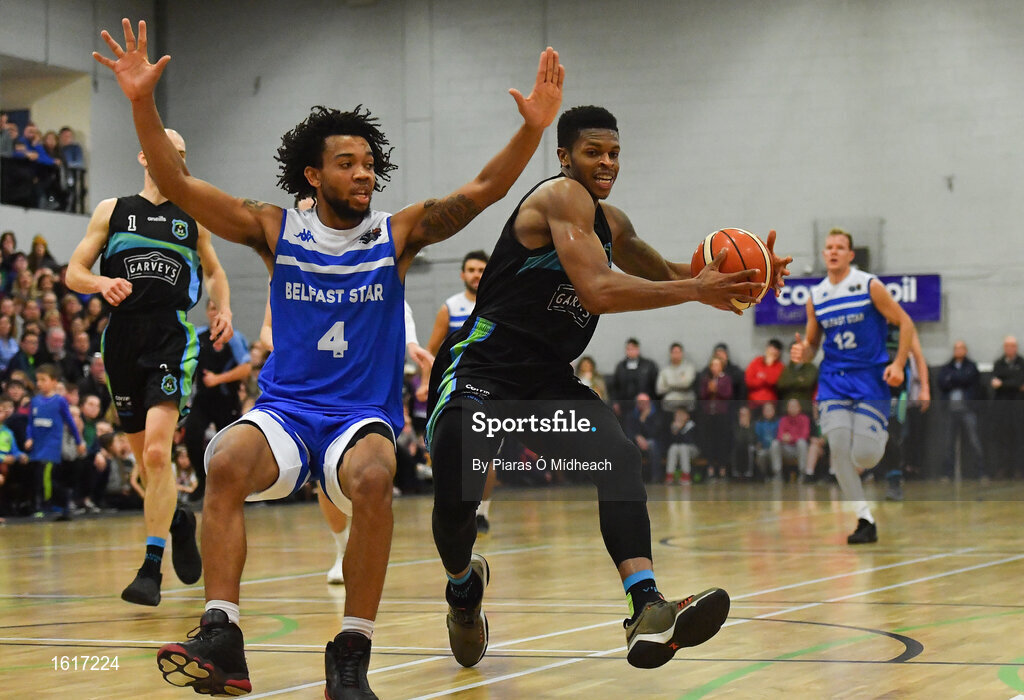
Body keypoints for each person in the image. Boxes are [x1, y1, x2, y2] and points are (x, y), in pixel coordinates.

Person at [95, 18, 564, 697]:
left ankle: (350, 655)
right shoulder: (274, 228)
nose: (365, 173)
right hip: (286, 411)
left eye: (371, 163)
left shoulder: (396, 233)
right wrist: (141, 102)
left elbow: (483, 190)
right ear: (313, 174)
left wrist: (532, 129)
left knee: (378, 475)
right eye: (348, 163)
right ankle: (223, 634)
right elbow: (179, 182)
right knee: (223, 458)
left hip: (356, 417)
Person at [426, 104, 790, 671]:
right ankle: (462, 588)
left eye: (614, 153)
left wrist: (745, 278)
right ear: (564, 156)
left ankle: (645, 605)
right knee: (456, 503)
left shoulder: (612, 224)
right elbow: (597, 290)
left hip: (545, 382)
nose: (606, 162)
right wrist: (696, 290)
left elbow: (669, 273)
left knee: (617, 457)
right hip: (483, 368)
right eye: (594, 151)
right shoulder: (558, 197)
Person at [66, 121, 235, 605]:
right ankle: (179, 518)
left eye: (180, 153)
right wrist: (100, 284)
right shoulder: (112, 210)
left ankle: (150, 566)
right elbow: (75, 271)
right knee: (146, 466)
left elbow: (216, 271)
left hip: (170, 334)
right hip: (121, 337)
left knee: (159, 455)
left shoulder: (193, 213)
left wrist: (220, 307)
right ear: (145, 156)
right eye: (165, 150)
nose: (173, 158)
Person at [794, 228, 918, 544]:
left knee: (863, 456)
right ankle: (865, 517)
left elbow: (906, 323)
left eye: (840, 247)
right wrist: (803, 353)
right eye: (829, 247)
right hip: (834, 379)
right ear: (824, 255)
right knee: (837, 447)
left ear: (850, 254)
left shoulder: (868, 285)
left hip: (870, 378)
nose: (833, 251)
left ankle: (879, 436)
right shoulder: (816, 296)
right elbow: (811, 345)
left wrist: (899, 364)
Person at [423, 249, 498, 534]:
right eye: (471, 270)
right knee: (449, 452)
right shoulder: (451, 307)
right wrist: (424, 386)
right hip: (453, 388)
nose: (476, 274)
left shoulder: (498, 302)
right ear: (462, 274)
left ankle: (482, 511)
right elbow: (430, 351)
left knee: (487, 456)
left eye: (481, 269)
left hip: (490, 388)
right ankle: (451, 510)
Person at [182, 298, 252, 502]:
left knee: (233, 446)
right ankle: (202, 483)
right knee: (192, 437)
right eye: (211, 309)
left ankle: (239, 488)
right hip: (203, 400)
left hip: (226, 400)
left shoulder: (234, 338)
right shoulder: (198, 336)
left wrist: (217, 379)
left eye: (218, 309)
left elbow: (246, 368)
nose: (215, 313)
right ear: (207, 313)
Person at [25, 364, 86, 519]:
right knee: (39, 476)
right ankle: (53, 504)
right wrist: (29, 437)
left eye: (43, 380)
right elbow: (30, 423)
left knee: (46, 475)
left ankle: (46, 505)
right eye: (38, 380)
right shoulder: (35, 401)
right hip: (38, 446)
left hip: (51, 447)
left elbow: (70, 422)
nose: (39, 383)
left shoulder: (60, 401)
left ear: (54, 381)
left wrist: (78, 441)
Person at [936, 340, 985, 480]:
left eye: (961, 348)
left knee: (974, 441)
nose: (958, 351)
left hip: (968, 410)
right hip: (950, 410)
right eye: (956, 348)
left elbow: (969, 379)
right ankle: (947, 473)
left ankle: (980, 472)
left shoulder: (971, 366)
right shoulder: (947, 367)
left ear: (965, 350)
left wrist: (953, 379)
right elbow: (942, 382)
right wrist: (959, 379)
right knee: (948, 443)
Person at [989, 335, 1024, 479]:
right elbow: (995, 383)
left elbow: (1019, 383)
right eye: (1007, 346)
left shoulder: (1022, 363)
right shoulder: (998, 363)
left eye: (1012, 345)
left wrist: (1004, 384)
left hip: (1018, 407)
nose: (1010, 348)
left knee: (1019, 439)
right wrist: (1013, 384)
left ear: (1016, 347)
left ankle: (1018, 469)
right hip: (1002, 408)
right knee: (1003, 438)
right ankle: (1003, 468)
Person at [610, 337, 659, 414]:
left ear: (638, 350)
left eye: (633, 349)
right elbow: (615, 387)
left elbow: (655, 386)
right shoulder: (620, 366)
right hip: (624, 403)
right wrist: (615, 402)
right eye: (628, 349)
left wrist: (651, 400)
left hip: (644, 402)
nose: (630, 351)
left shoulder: (649, 365)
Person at [770, 398, 810, 481]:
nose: (792, 408)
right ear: (787, 408)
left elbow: (804, 436)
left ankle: (802, 474)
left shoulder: (805, 419)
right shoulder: (783, 420)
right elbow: (779, 435)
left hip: (798, 449)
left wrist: (791, 437)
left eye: (794, 406)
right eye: (790, 406)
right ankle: (777, 474)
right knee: (775, 443)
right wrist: (784, 438)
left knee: (802, 443)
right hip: (786, 449)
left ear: (799, 408)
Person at [777, 338, 819, 415]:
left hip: (804, 407)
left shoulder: (811, 367)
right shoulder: (787, 368)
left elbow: (807, 383)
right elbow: (781, 384)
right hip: (786, 407)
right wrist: (798, 379)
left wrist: (791, 381)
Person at [656, 342, 697, 412]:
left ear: (682, 353)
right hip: (670, 403)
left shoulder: (689, 367)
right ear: (670, 354)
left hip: (687, 401)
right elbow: (659, 389)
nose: (676, 355)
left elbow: (686, 384)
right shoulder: (664, 371)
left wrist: (669, 385)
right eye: (674, 352)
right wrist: (679, 384)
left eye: (678, 352)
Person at [745, 338, 783, 410]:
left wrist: (769, 365)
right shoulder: (756, 361)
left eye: (775, 351)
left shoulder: (780, 366)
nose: (772, 352)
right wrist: (762, 380)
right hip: (754, 402)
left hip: (770, 404)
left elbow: (773, 381)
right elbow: (749, 381)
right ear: (767, 349)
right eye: (771, 349)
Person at [665, 407, 699, 484]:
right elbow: (673, 441)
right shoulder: (674, 426)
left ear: (687, 416)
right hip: (679, 450)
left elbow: (687, 440)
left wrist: (679, 428)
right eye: (677, 415)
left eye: (681, 414)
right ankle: (670, 476)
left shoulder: (691, 425)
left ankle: (686, 476)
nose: (679, 417)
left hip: (693, 450)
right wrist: (675, 431)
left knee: (683, 447)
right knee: (673, 447)